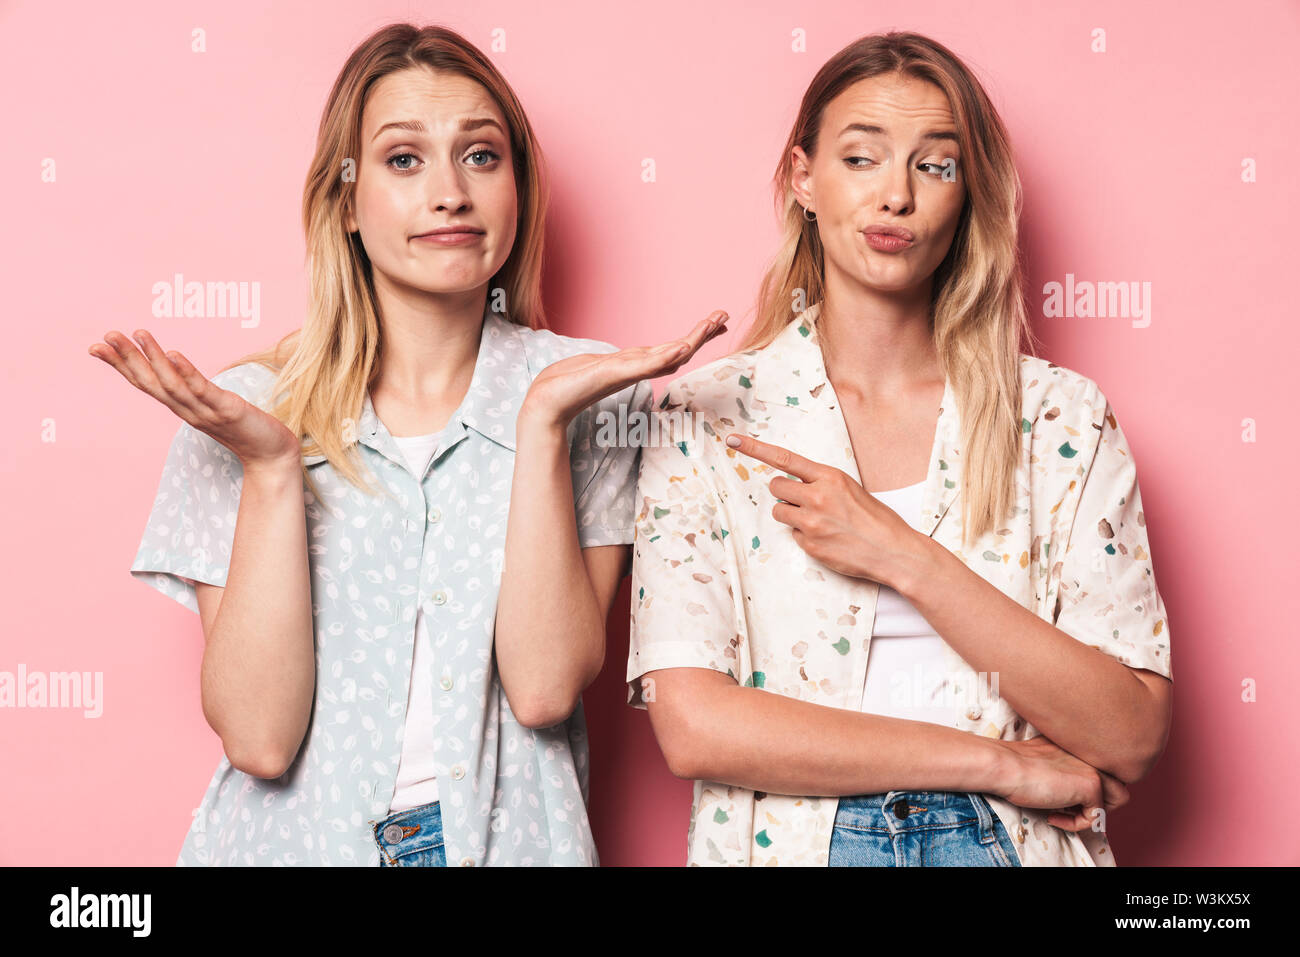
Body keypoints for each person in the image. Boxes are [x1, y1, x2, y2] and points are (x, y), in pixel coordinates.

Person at [90, 22, 726, 866]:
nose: (451, 193)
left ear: (518, 190)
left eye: (482, 155)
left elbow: (542, 689)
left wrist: (539, 426)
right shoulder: (242, 412)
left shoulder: (587, 395)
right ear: (345, 202)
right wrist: (275, 468)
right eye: (403, 159)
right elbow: (260, 738)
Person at [625, 31, 1172, 867]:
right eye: (861, 158)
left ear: (965, 193)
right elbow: (695, 726)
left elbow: (1129, 733)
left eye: (935, 165)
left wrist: (901, 554)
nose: (896, 196)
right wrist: (996, 764)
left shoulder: (1064, 418)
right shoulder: (708, 414)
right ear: (803, 177)